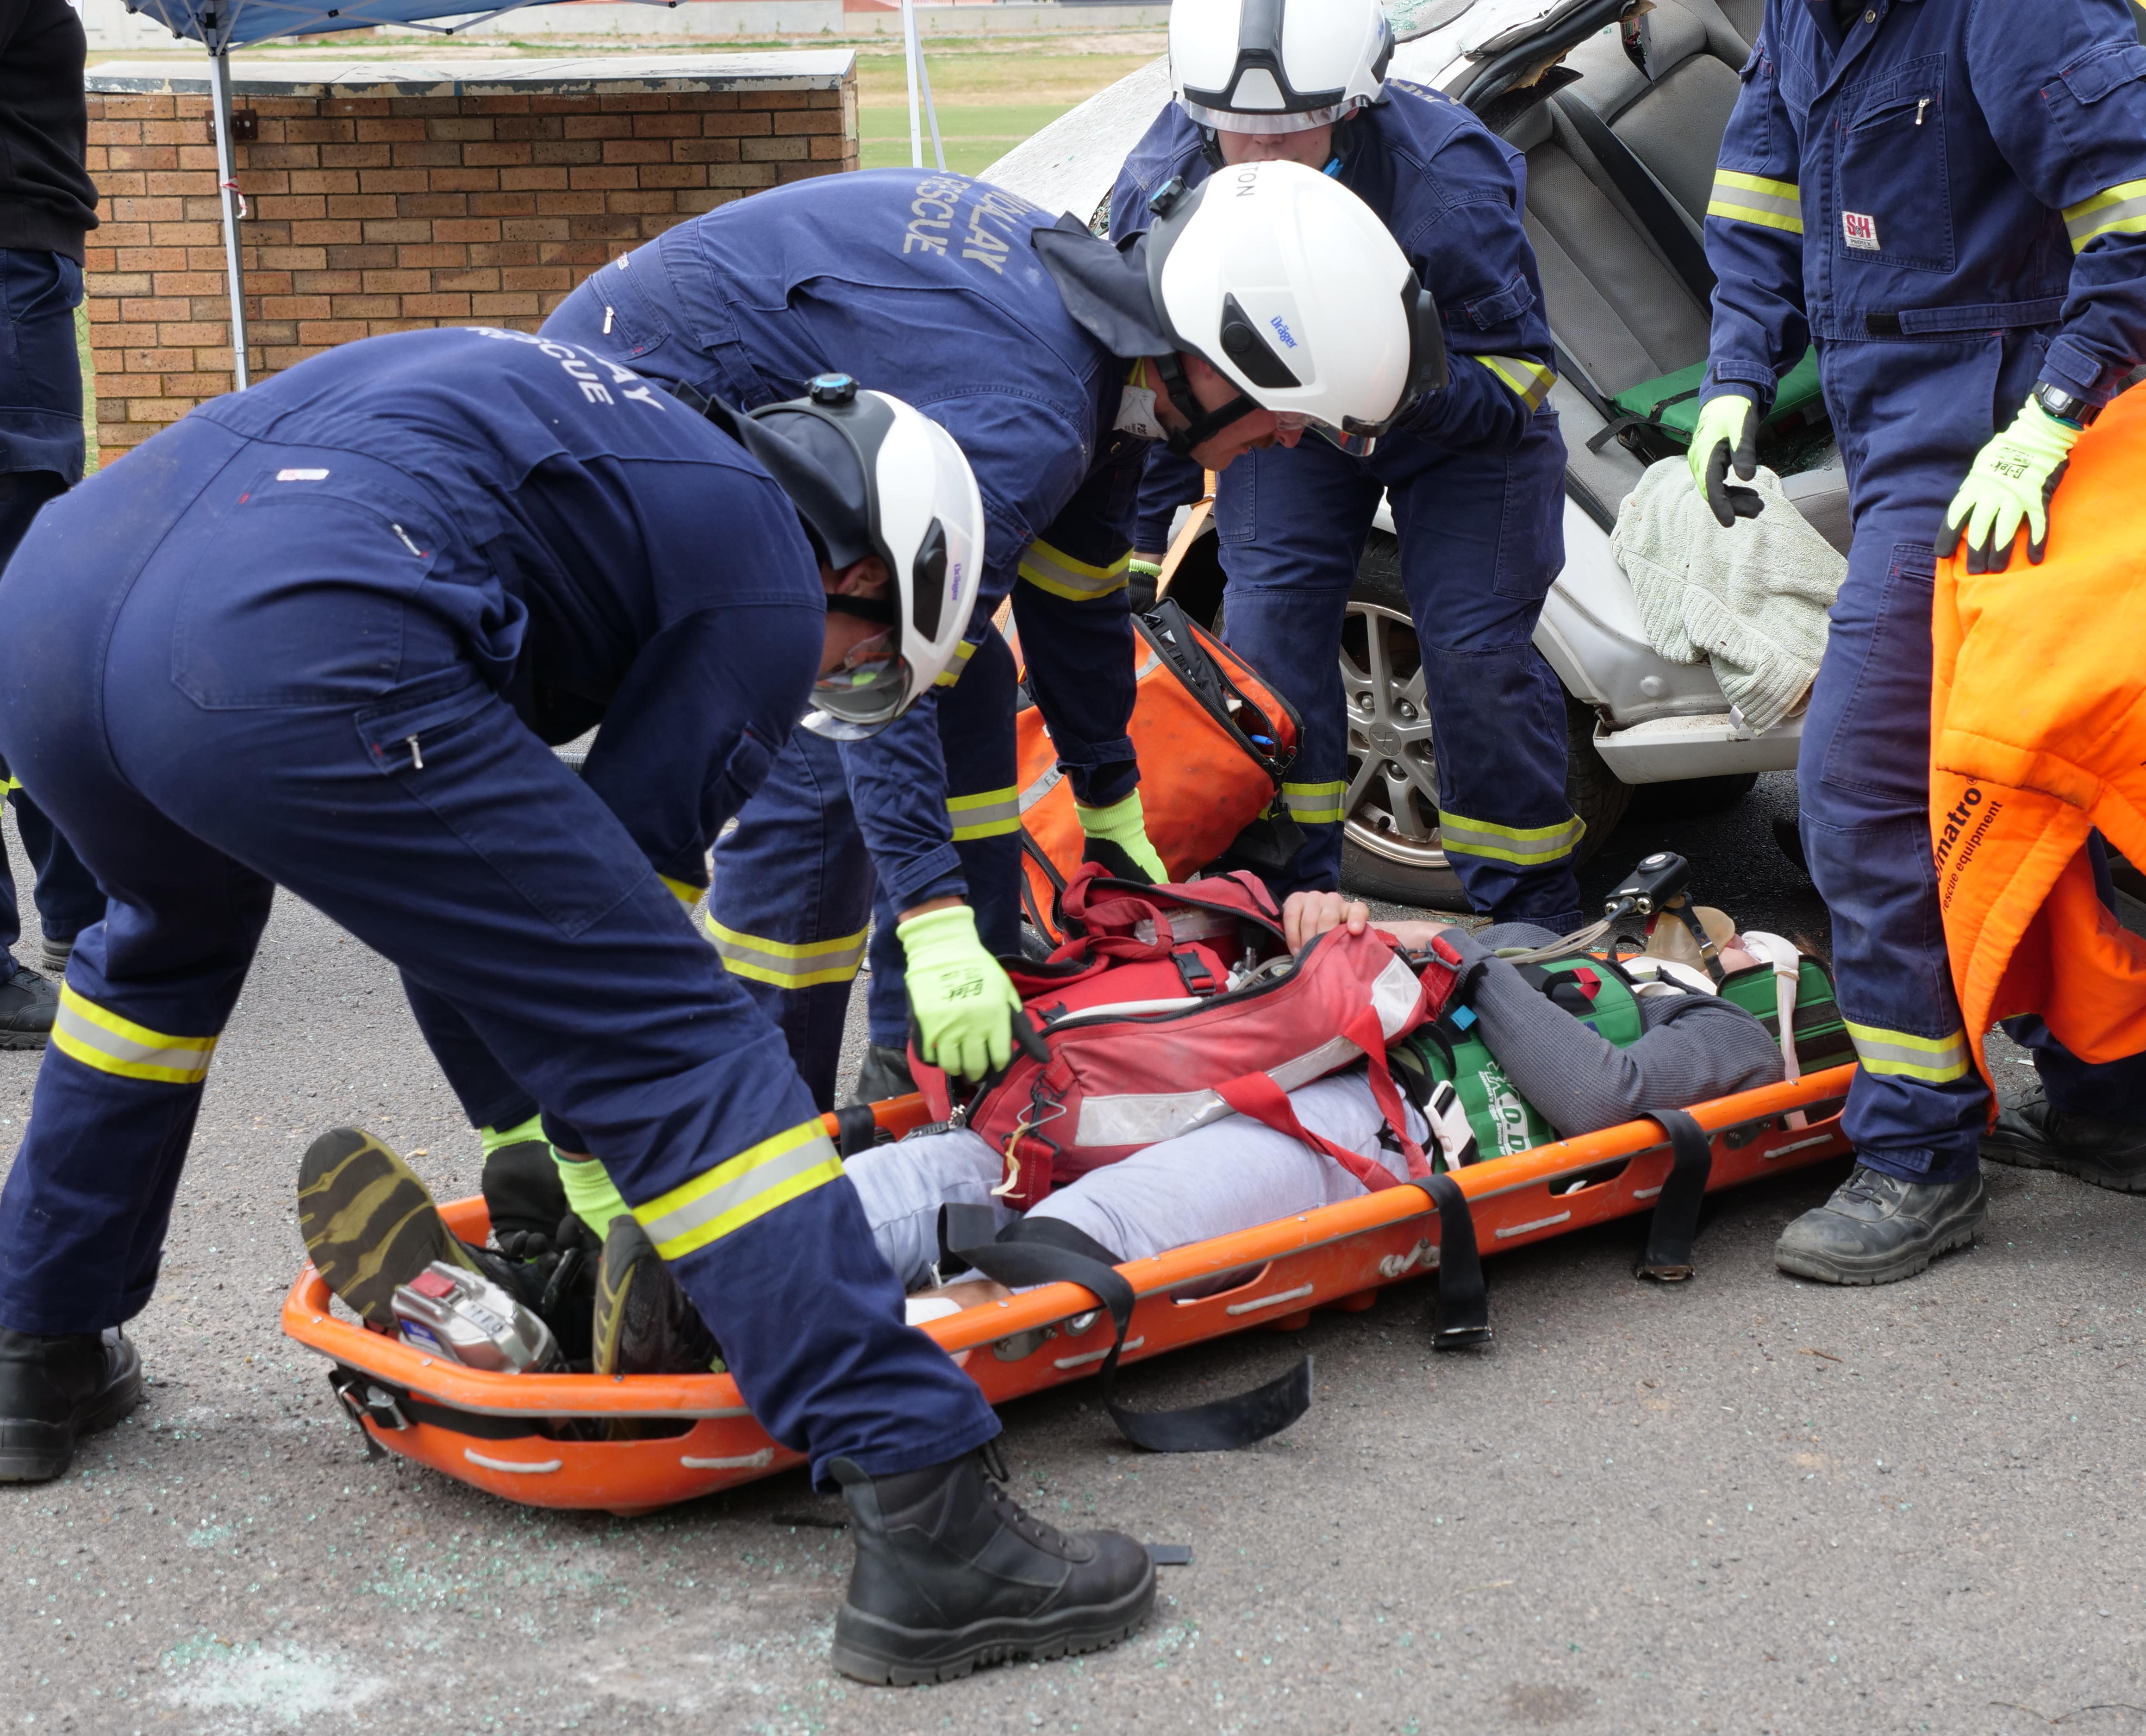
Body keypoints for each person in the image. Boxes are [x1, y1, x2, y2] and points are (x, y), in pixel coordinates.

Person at [0, 325, 1158, 1686]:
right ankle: (929, 1509)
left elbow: (470, 911)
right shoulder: (764, 572)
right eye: (853, 666)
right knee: (683, 1038)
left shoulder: (634, 442)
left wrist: (529, 1140)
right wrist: (608, 1165)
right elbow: (614, 947)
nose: (821, 686)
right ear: (859, 571)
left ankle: (36, 1341)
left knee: (155, 961)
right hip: (284, 636)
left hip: (53, 615)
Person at [521, 160, 1438, 1145]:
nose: (1292, 441)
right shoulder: (1028, 418)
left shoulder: (1112, 373)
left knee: (977, 678)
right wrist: (931, 917)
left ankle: (931, 1083)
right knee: (821, 776)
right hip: (625, 444)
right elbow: (886, 679)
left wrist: (1109, 801)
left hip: (723, 421)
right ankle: (753, 1129)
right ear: (1219, 357)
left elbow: (1076, 599)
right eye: (1291, 412)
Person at [1686, 0, 2146, 1282]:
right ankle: (2109, 1107)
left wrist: (2054, 410)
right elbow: (1759, 202)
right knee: (2029, 785)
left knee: (1860, 798)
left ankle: (1918, 1157)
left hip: (1998, 448)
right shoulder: (1806, 16)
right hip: (1897, 429)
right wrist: (1737, 374)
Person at [1107, 0, 1580, 929]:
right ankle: (1288, 905)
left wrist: (1393, 385)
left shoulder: (1445, 183)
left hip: (1454, 428)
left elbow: (1518, 375)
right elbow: (1155, 375)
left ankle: (1533, 915)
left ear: (1354, 106)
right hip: (1281, 425)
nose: (1261, 151)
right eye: (1237, 129)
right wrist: (1136, 546)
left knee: (1475, 657)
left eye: (1292, 130)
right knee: (1270, 638)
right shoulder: (1162, 183)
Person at [839, 890, 1785, 1300]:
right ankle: (769, 1254)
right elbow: (1388, 964)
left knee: (1086, 1230)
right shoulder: (1550, 947)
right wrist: (1324, 924)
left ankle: (887, 1352)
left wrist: (1454, 955)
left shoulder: (1725, 1033)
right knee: (997, 1152)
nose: (1729, 937)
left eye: (1755, 948)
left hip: (1373, 1121)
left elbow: (1598, 1096)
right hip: (1284, 1056)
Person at [0, 0, 109, 1041]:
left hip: (23, 274)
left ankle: (86, 912)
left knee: (35, 619)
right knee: (31, 621)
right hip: (10, 276)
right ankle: (79, 918)